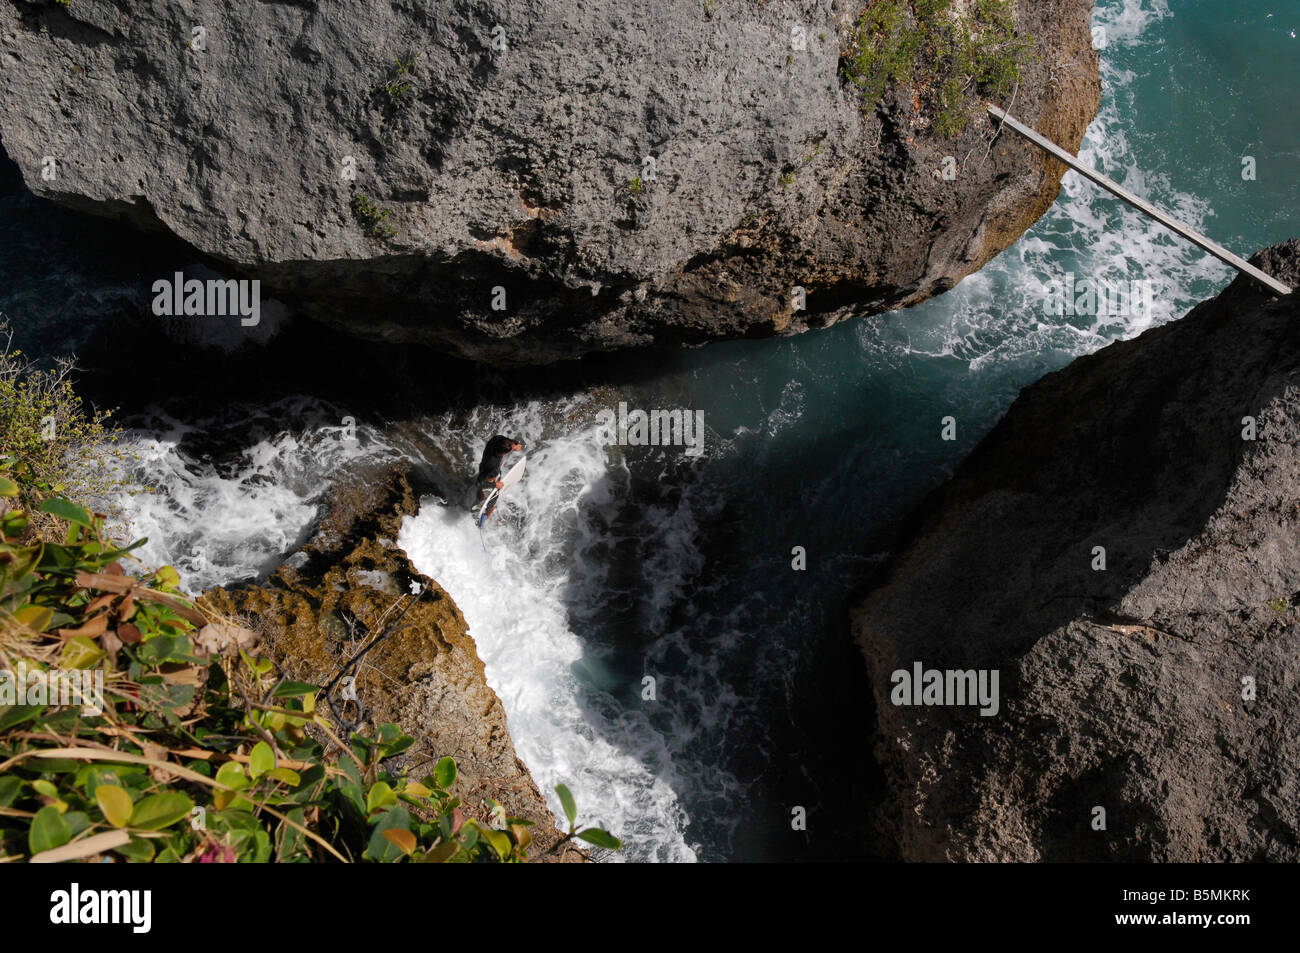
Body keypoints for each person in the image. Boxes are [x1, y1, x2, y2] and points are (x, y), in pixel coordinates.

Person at [473, 434, 523, 522]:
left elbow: (506, 440)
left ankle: (479, 498)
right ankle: (483, 521)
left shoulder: (496, 439)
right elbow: (479, 482)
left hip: (486, 468)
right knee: (491, 506)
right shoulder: (491, 464)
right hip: (489, 476)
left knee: (482, 493)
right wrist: (495, 484)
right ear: (502, 453)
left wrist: (514, 444)